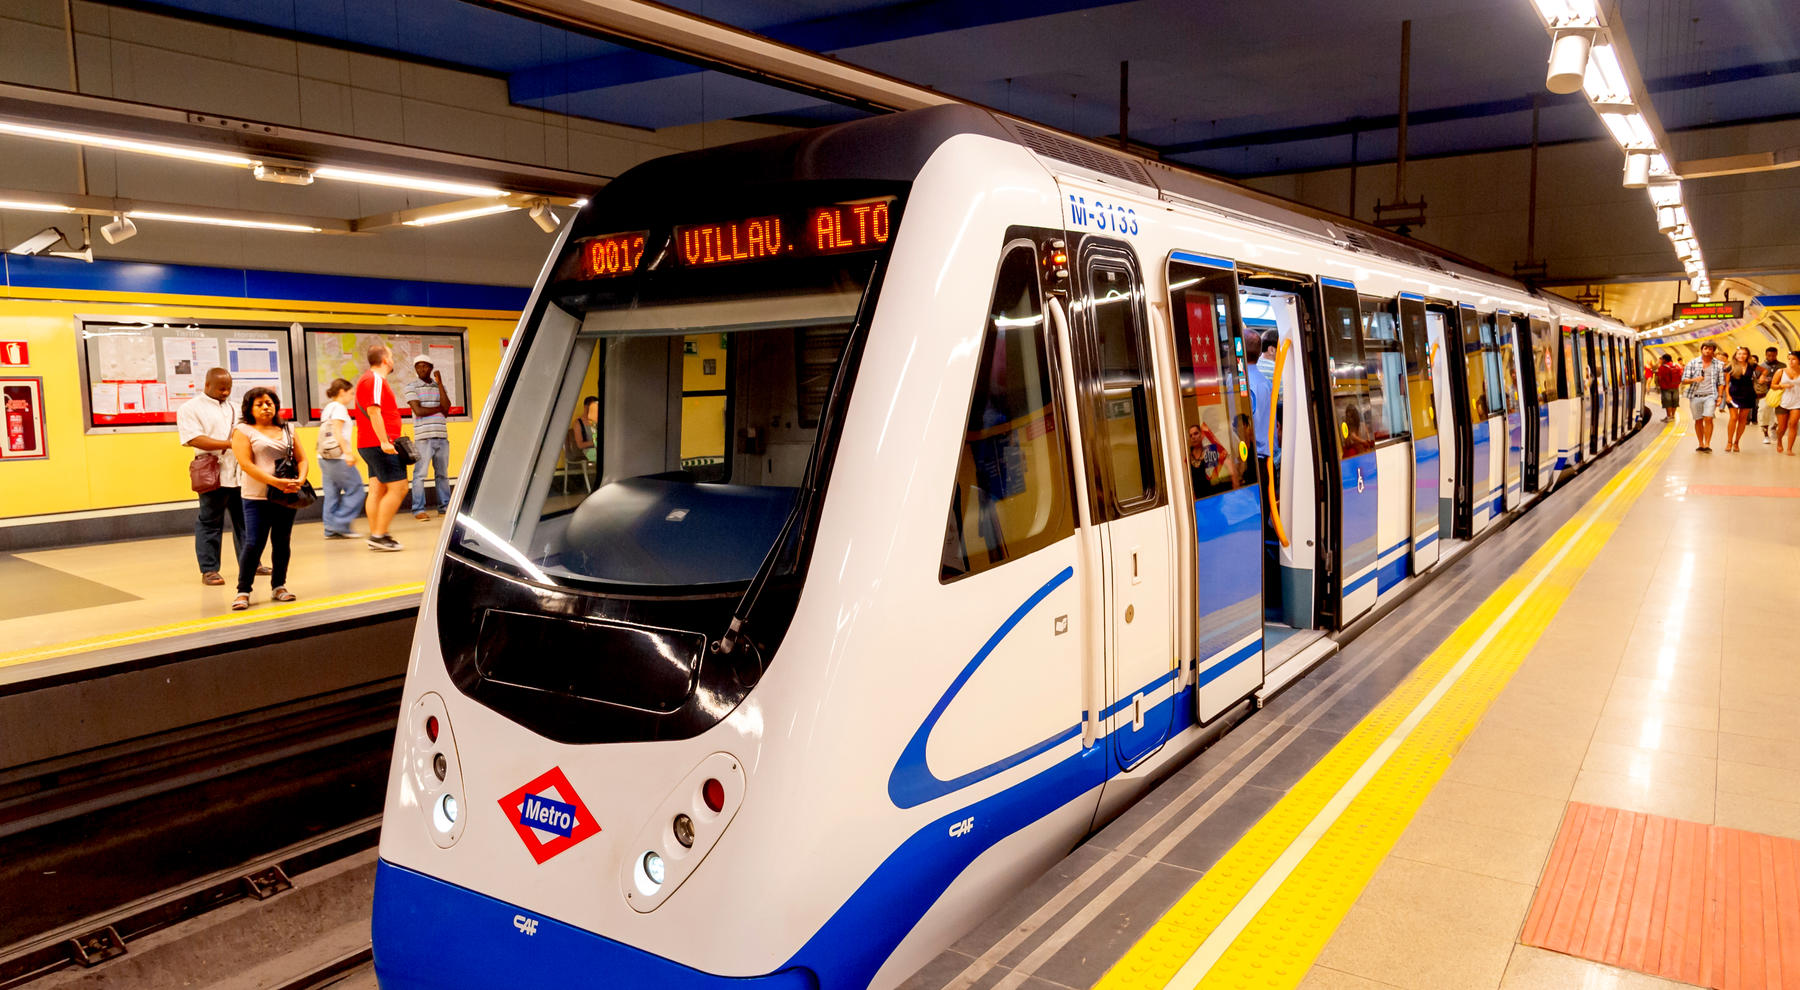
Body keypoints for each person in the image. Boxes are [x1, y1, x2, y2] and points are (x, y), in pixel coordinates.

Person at [176, 367, 266, 585]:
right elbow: (195, 438)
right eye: (221, 388)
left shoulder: (237, 408)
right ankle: (209, 570)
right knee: (210, 522)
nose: (226, 393)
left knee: (246, 521)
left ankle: (251, 563)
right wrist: (230, 444)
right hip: (212, 474)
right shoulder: (190, 408)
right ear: (207, 385)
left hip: (240, 473)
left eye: (228, 389)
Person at [229, 387, 304, 610]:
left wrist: (300, 479)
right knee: (253, 543)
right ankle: (243, 591)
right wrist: (275, 482)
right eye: (259, 404)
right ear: (249, 408)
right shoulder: (242, 430)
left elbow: (302, 458)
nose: (265, 407)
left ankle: (279, 586)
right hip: (256, 497)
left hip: (286, 495)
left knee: (282, 541)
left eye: (269, 403)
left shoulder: (287, 428)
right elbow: (246, 465)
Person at [355, 345, 408, 550]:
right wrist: (385, 441)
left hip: (369, 444)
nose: (393, 360)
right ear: (385, 360)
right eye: (392, 356)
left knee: (377, 489)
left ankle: (377, 533)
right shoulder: (375, 379)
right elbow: (374, 411)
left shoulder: (368, 379)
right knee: (399, 488)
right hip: (380, 445)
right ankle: (378, 535)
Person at [404, 358, 452, 521]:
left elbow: (446, 409)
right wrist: (438, 408)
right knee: (420, 475)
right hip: (423, 438)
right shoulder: (411, 387)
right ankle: (418, 509)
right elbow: (418, 410)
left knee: (442, 475)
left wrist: (440, 384)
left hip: (442, 437)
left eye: (425, 366)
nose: (421, 369)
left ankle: (444, 507)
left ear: (431, 367)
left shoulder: (439, 387)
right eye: (418, 367)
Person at [317, 378, 363, 539]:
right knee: (356, 489)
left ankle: (330, 528)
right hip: (338, 457)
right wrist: (348, 453)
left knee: (331, 493)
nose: (352, 397)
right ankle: (340, 524)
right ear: (342, 392)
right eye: (350, 393)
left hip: (323, 457)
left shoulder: (328, 408)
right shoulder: (339, 408)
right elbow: (337, 433)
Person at [1681, 342, 1726, 452]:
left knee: (1708, 418)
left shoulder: (1719, 364)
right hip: (1695, 396)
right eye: (1705, 348)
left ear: (1713, 351)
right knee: (1698, 420)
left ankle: (1707, 444)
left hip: (1711, 395)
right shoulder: (1692, 363)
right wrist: (1694, 379)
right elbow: (1684, 380)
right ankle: (1700, 443)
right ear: (1701, 350)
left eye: (1710, 349)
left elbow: (1721, 382)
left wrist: (1720, 396)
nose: (1707, 351)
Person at [1724, 346, 1758, 452]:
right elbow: (1726, 383)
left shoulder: (1752, 365)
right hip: (1734, 394)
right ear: (1735, 355)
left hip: (1748, 394)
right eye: (1739, 353)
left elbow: (1764, 371)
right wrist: (1727, 395)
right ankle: (1729, 442)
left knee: (1742, 420)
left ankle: (1736, 442)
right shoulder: (1730, 366)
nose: (1741, 356)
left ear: (1747, 355)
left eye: (1744, 353)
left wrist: (1762, 377)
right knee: (1734, 418)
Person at [1772, 351, 1800, 455]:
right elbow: (1772, 385)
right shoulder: (1781, 371)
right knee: (1782, 427)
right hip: (1782, 402)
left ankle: (1789, 449)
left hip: (1797, 402)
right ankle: (1779, 441)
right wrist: (1781, 386)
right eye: (1789, 359)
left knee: (1793, 424)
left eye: (1793, 359)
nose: (1790, 361)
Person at [1760, 347, 1783, 443]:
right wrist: (1763, 380)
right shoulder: (1761, 366)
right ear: (1766, 355)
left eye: (1773, 355)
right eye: (1769, 355)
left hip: (1779, 392)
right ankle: (1766, 435)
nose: (1771, 357)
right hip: (1765, 393)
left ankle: (1774, 427)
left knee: (1779, 413)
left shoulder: (1782, 366)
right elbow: (1758, 379)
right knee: (1763, 412)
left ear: (1776, 354)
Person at [1653, 354, 1681, 422]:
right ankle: (1673, 416)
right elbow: (1680, 375)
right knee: (1675, 402)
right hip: (1675, 386)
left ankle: (1669, 416)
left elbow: (1660, 378)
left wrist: (1659, 385)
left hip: (1666, 387)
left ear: (1664, 360)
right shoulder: (1676, 366)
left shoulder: (1662, 367)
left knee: (1667, 402)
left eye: (1662, 359)